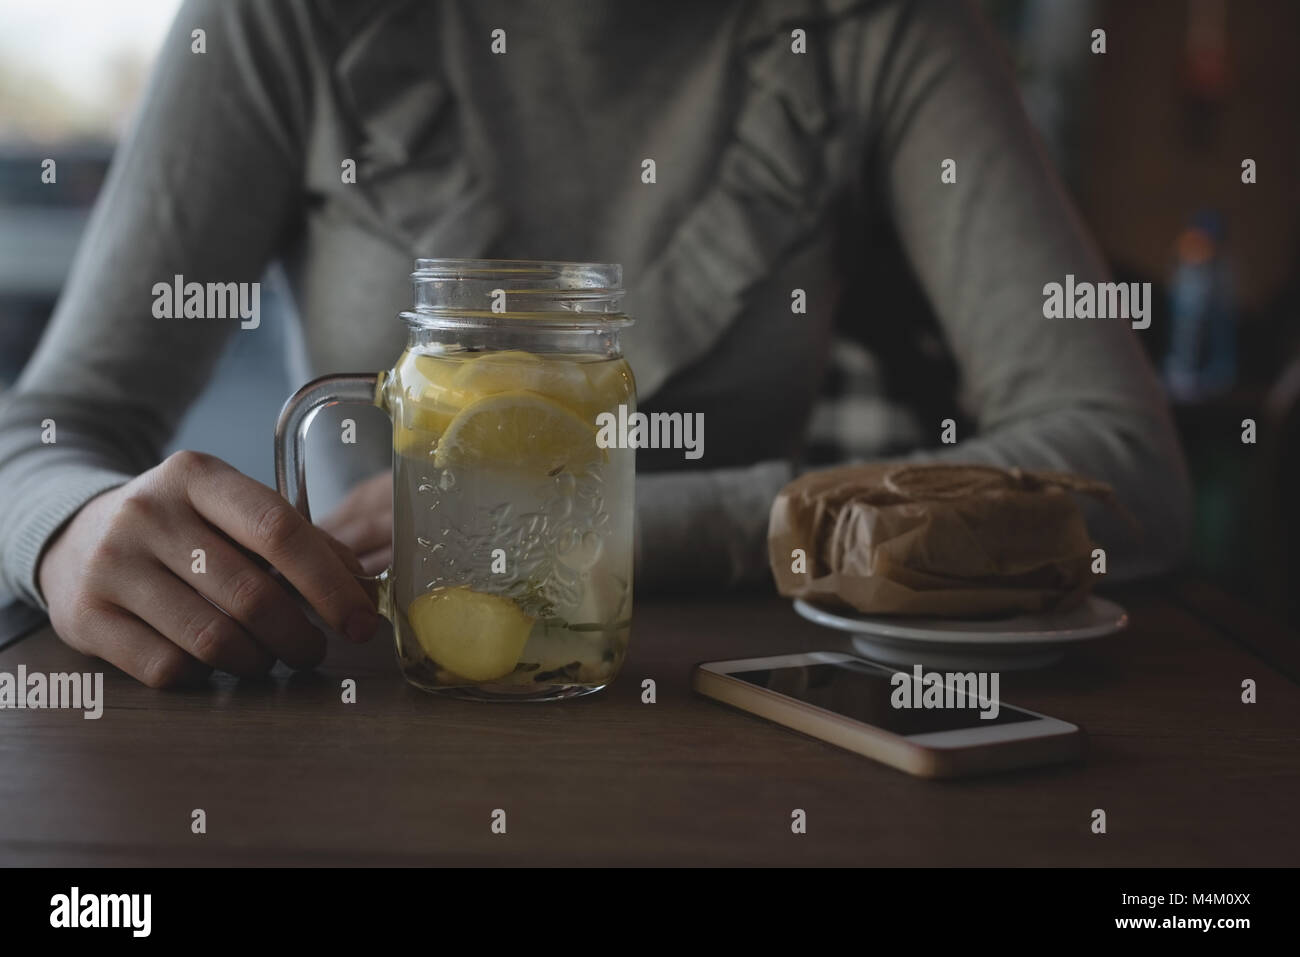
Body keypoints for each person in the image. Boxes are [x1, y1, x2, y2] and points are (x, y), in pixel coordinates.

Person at [0, 0, 1191, 688]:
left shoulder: (882, 26)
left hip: (759, 730)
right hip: (392, 707)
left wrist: (640, 535)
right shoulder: (282, 19)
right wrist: (64, 526)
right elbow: (48, 429)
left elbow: (1120, 464)